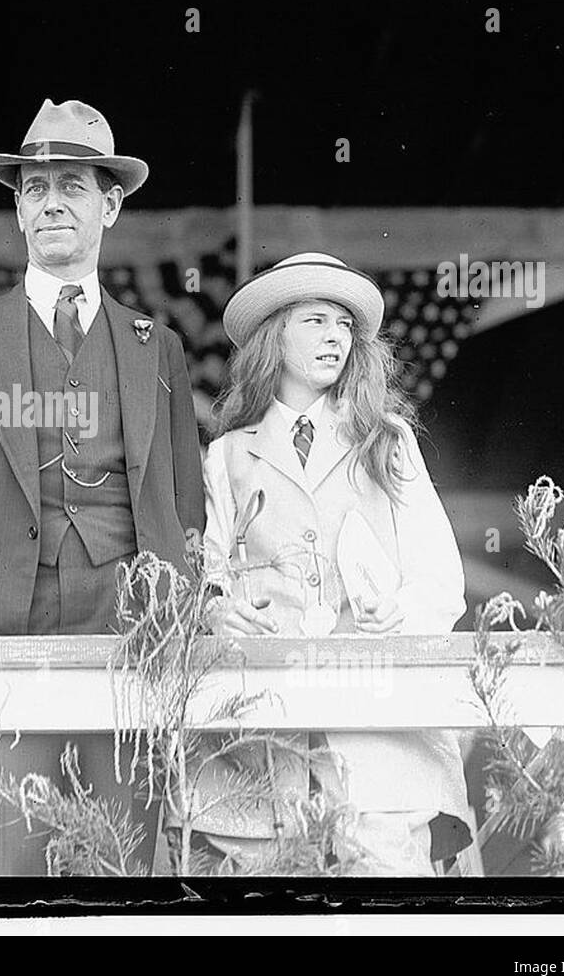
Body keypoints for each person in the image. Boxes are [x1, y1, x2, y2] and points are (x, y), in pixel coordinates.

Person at [0, 98, 206, 875]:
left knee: (124, 861)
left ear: (111, 204)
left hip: (128, 628)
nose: (51, 202)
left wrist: (191, 609)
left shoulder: (155, 345)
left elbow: (184, 498)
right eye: (34, 188)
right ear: (18, 211)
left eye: (72, 185)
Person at [192, 251, 474, 876]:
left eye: (345, 326)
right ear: (274, 338)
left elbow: (440, 579)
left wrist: (399, 611)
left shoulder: (387, 438)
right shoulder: (228, 455)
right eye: (316, 321)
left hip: (379, 732)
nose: (335, 338)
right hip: (265, 739)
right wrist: (218, 612)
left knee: (385, 891)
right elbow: (209, 576)